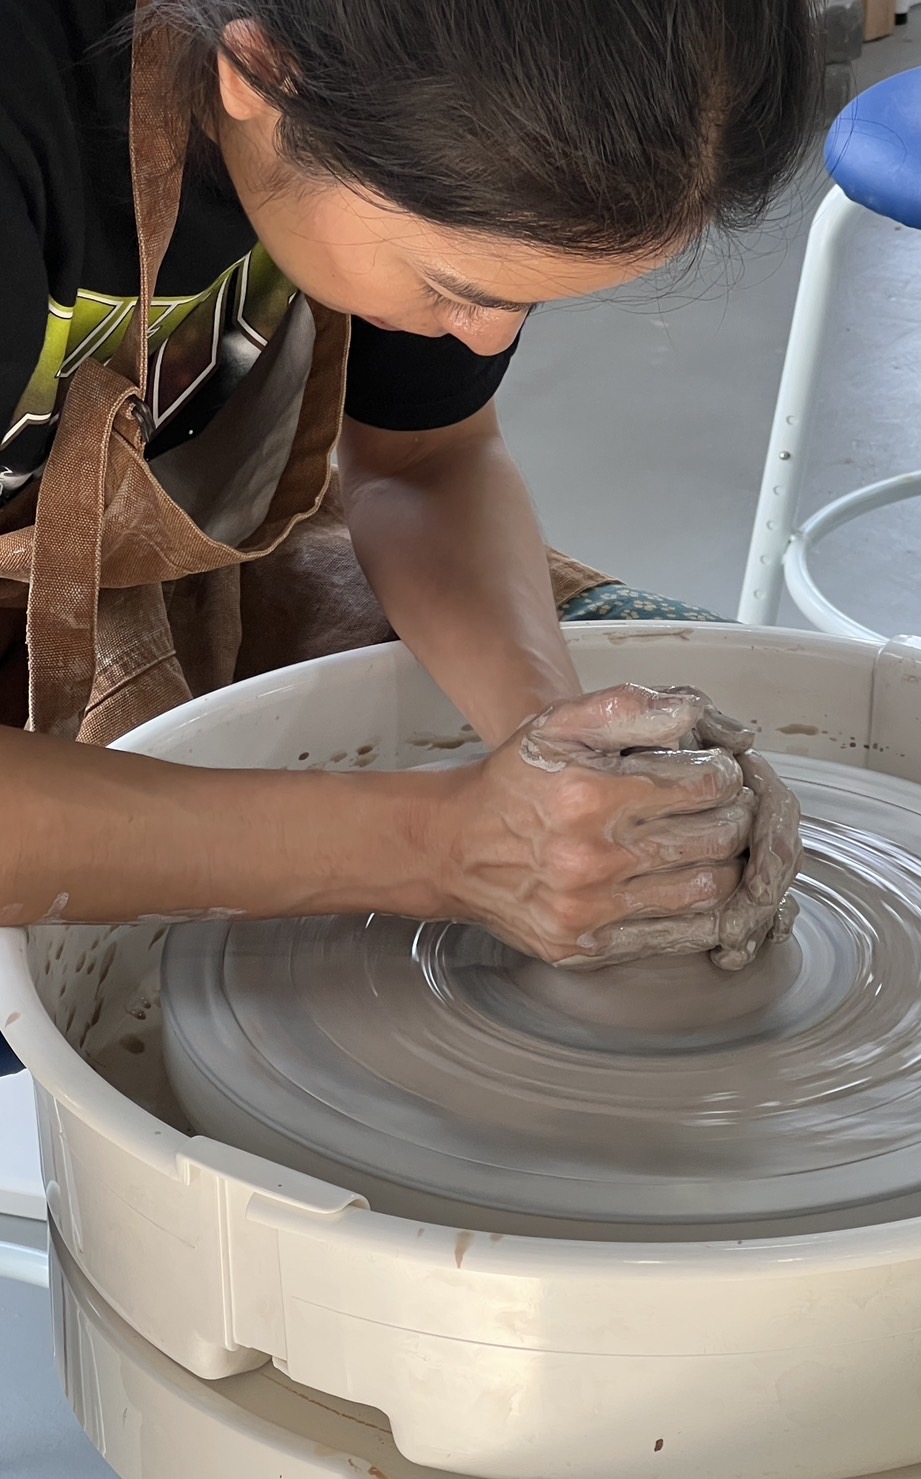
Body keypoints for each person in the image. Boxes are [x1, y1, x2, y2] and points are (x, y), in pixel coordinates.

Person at [0, 0, 817, 1075]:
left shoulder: (424, 87)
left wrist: (553, 761)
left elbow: (425, 458)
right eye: (455, 289)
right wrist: (440, 850)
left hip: (152, 560)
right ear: (261, 72)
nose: (487, 337)